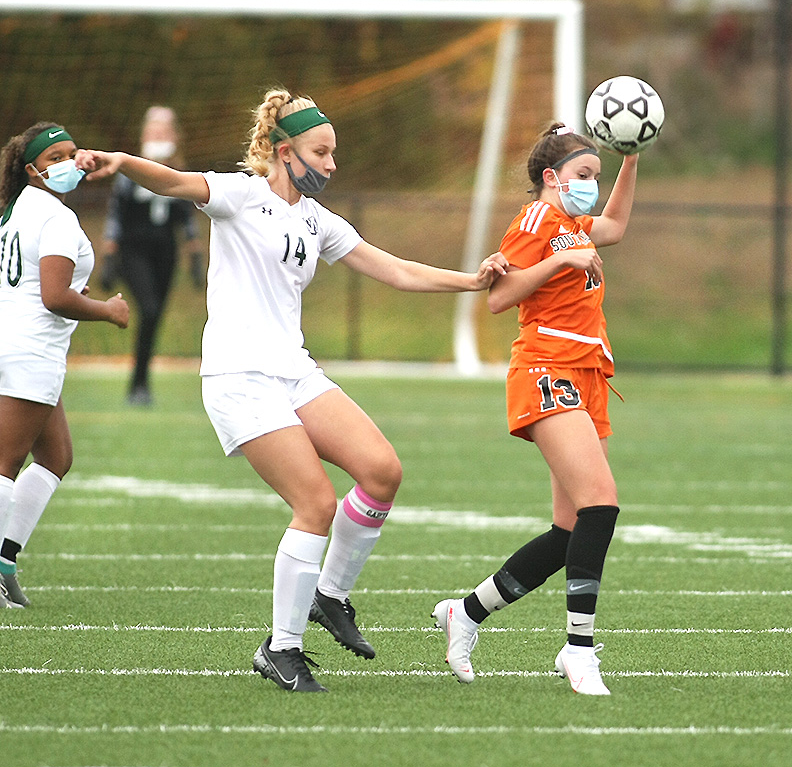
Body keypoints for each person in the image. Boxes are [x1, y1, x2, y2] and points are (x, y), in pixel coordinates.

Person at [76, 88, 507, 692]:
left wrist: (473, 281)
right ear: (284, 151)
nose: (332, 164)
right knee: (316, 505)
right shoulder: (241, 194)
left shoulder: (316, 219)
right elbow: (172, 182)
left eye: (333, 153)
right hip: (238, 376)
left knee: (382, 471)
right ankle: (282, 649)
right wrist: (122, 160)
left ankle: (330, 596)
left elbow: (395, 270)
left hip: (293, 372)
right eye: (321, 152)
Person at [432, 123, 638, 696]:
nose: (591, 185)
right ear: (552, 177)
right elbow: (499, 297)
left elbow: (616, 226)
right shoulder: (535, 221)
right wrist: (560, 264)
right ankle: (579, 649)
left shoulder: (572, 225)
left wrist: (631, 157)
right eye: (583, 175)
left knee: (568, 530)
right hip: (547, 370)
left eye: (596, 176)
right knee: (601, 504)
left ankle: (466, 612)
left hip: (587, 374)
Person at [0, 122, 129, 608]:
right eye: (54, 157)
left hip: (17, 342)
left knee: (56, 457)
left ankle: (5, 562)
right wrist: (107, 310)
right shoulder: (54, 215)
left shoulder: (16, 209)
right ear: (31, 168)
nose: (67, 163)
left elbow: (33, 284)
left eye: (71, 154)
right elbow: (54, 297)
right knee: (5, 462)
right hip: (30, 350)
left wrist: (76, 296)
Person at [100, 106, 204, 406]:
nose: (158, 136)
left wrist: (194, 253)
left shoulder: (179, 172)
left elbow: (186, 215)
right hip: (133, 249)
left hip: (165, 251)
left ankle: (141, 383)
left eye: (163, 131)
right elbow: (116, 212)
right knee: (148, 308)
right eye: (153, 131)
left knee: (154, 316)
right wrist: (110, 253)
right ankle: (138, 384)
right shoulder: (131, 171)